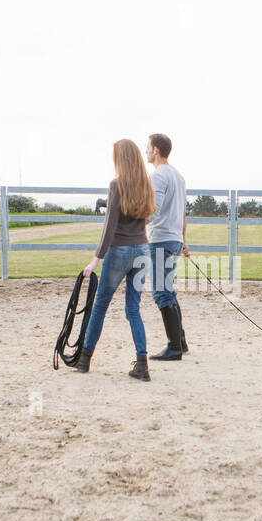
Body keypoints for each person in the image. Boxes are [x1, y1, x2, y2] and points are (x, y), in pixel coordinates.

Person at [75, 139, 156, 380]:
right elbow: (143, 217)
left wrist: (95, 259)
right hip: (142, 250)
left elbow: (109, 226)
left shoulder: (116, 184)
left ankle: (84, 360)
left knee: (100, 305)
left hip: (119, 251)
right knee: (133, 309)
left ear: (119, 159)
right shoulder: (145, 186)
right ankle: (142, 364)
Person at [145, 133, 189, 361]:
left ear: (156, 150)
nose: (145, 151)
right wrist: (183, 240)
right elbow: (182, 213)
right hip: (174, 238)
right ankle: (180, 341)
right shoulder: (178, 177)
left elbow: (153, 210)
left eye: (147, 147)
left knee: (161, 292)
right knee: (168, 290)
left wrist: (133, 224)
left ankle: (174, 348)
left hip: (161, 238)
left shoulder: (159, 175)